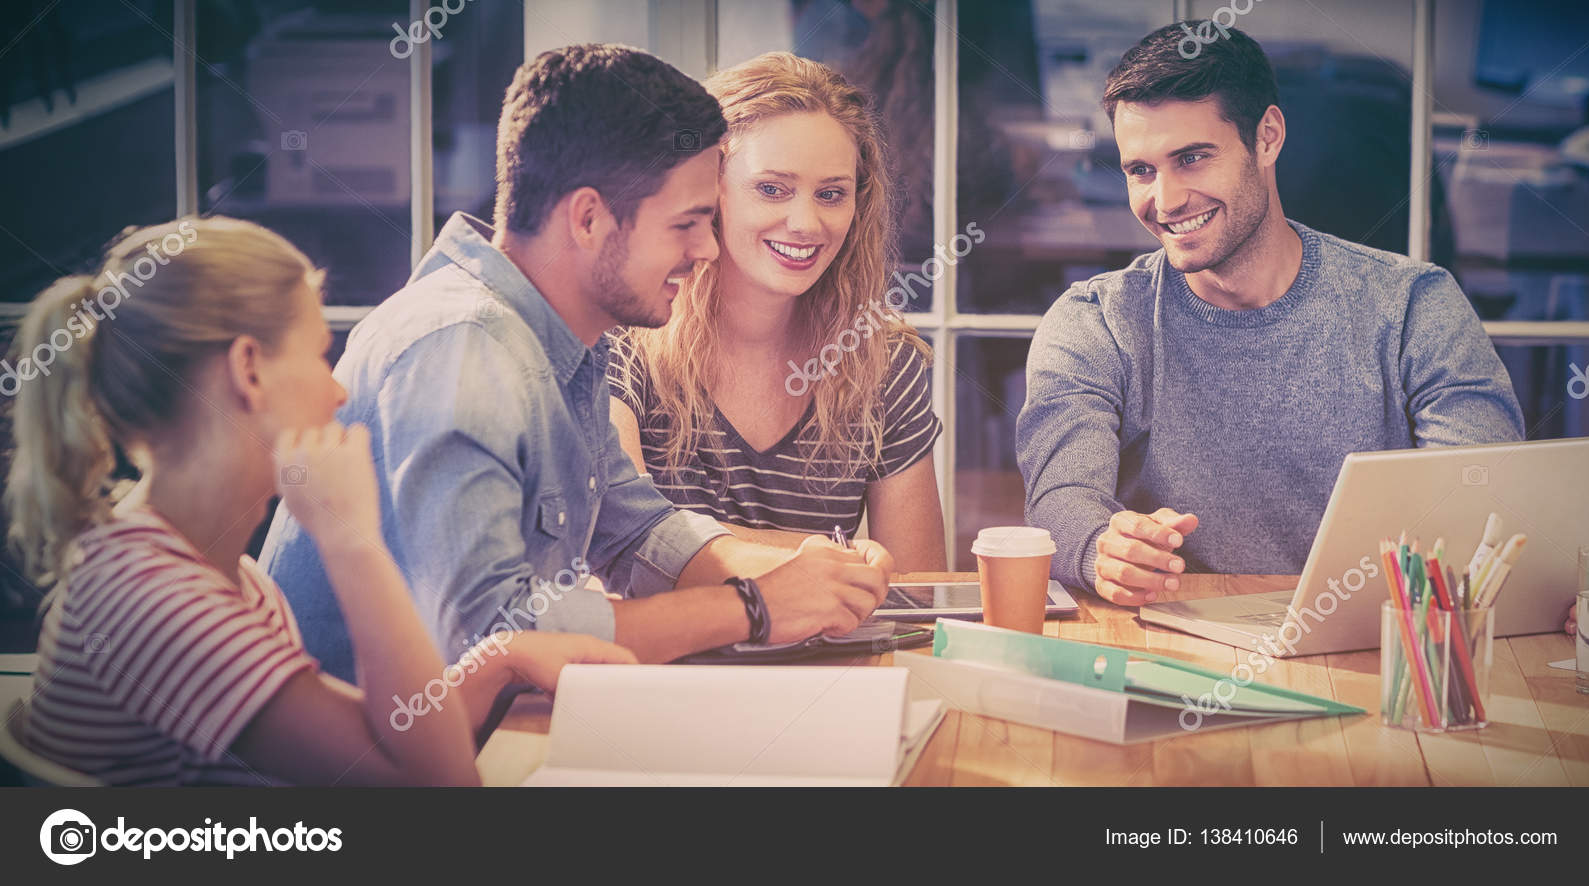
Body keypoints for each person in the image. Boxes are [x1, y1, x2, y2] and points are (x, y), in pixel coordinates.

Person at [259, 44, 894, 679]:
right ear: (589, 218)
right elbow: (491, 638)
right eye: (686, 224)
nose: (706, 249)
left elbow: (635, 533)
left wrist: (811, 577)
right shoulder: (461, 351)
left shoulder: (564, 342)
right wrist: (754, 607)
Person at [5, 218, 633, 786]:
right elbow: (437, 785)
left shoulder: (207, 574)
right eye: (318, 355)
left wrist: (501, 658)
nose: (337, 390)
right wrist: (350, 540)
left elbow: (386, 740)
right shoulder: (159, 602)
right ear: (249, 370)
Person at [1016, 23, 1524, 607]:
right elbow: (1060, 495)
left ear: (1267, 138)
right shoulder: (1095, 321)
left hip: (1369, 642)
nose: (1167, 199)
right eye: (1141, 171)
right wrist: (1101, 546)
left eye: (1193, 158)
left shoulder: (1414, 306)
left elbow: (1480, 504)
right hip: (1171, 647)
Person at [607, 51, 945, 570]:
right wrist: (835, 558)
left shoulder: (884, 362)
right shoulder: (621, 341)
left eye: (832, 194)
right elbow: (619, 542)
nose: (806, 223)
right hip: (660, 652)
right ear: (705, 186)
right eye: (771, 189)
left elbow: (917, 588)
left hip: (826, 653)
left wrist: (686, 536)